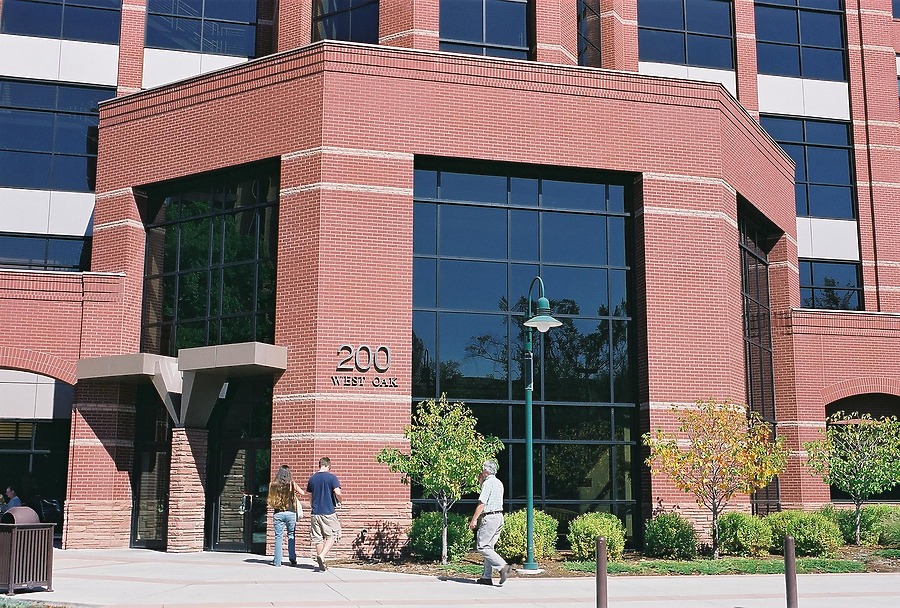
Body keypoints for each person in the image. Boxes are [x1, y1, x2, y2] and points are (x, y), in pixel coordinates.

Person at [468, 460, 511, 586]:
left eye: (482, 469)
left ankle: (503, 567)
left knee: (482, 546)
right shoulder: (498, 483)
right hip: (499, 517)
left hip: (490, 518)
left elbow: (482, 503)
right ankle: (486, 577)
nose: (481, 472)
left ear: (486, 471)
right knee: (489, 547)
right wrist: (481, 482)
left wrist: (474, 519)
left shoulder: (488, 484)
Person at [306, 457, 342, 571]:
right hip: (328, 512)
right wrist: (340, 500)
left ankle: (322, 564)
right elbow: (337, 492)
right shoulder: (332, 478)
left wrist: (313, 506)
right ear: (328, 466)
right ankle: (322, 556)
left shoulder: (312, 479)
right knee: (333, 534)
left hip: (315, 512)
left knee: (317, 538)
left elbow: (310, 497)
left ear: (319, 465)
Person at [267, 465, 304, 566]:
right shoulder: (291, 484)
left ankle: (277, 561)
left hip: (278, 513)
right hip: (291, 512)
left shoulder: (273, 484)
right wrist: (294, 493)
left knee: (278, 537)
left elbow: (270, 500)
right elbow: (303, 492)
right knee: (291, 535)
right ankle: (292, 557)